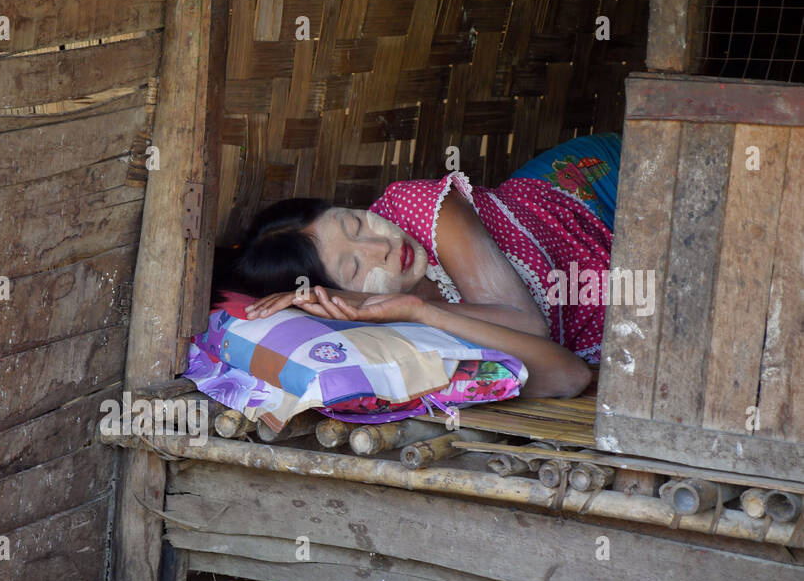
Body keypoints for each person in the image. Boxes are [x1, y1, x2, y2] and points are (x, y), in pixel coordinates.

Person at [212, 134, 622, 399]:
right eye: (355, 267)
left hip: (593, 192)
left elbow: (529, 327)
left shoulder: (422, 207)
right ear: (345, 294)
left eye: (356, 222)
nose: (382, 245)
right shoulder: (384, 322)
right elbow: (563, 373)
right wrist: (413, 311)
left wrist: (418, 310)